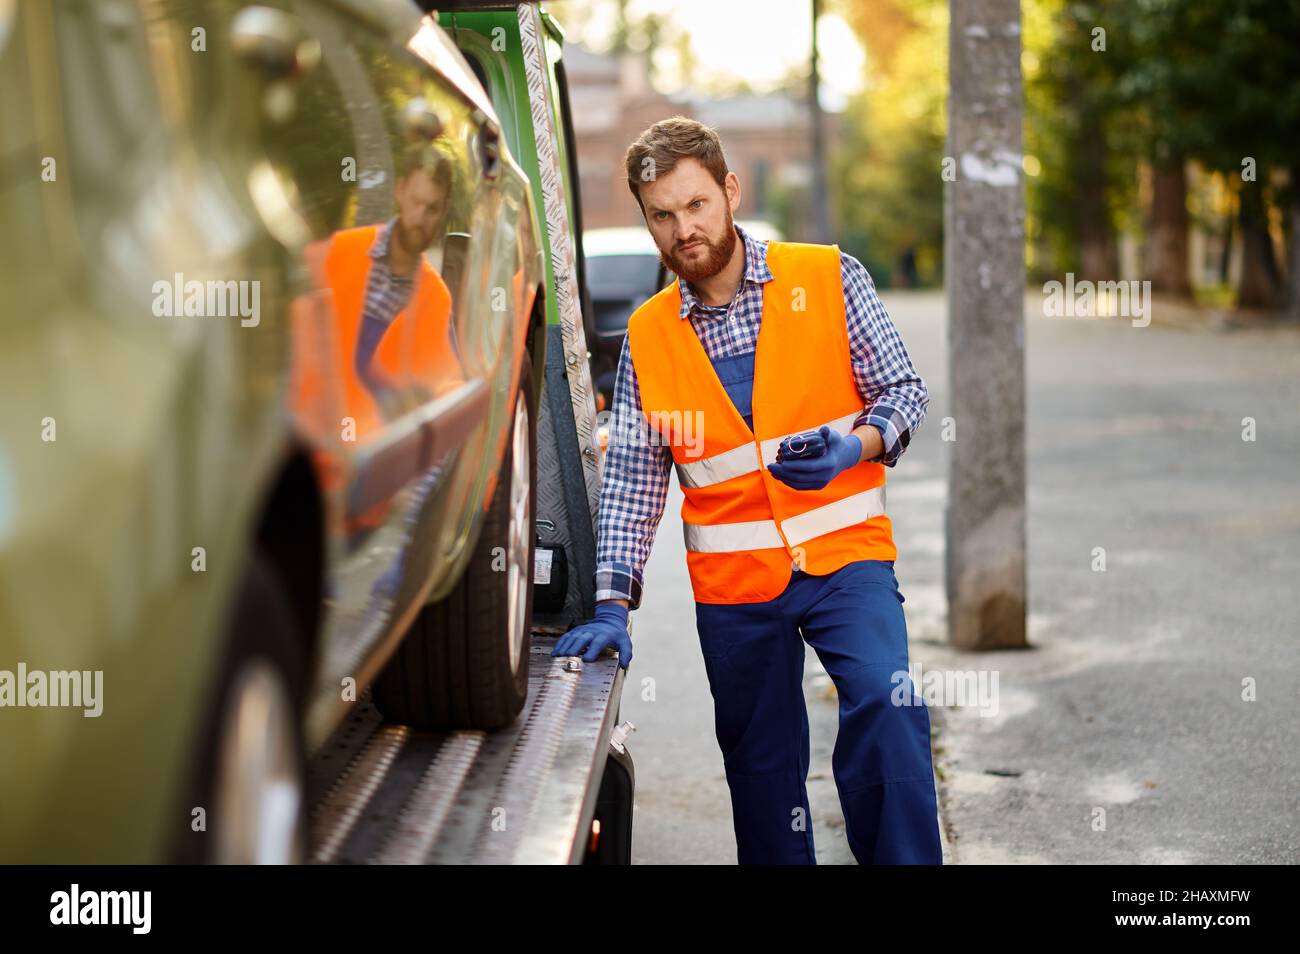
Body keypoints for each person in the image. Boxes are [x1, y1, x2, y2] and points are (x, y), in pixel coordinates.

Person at [551, 116, 942, 865]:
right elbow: (634, 474)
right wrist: (610, 602)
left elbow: (902, 389)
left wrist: (852, 446)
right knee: (762, 775)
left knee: (888, 706)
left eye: (695, 205)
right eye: (662, 215)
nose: (683, 229)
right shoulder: (650, 334)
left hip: (845, 561)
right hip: (735, 591)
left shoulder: (827, 276)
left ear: (729, 191)